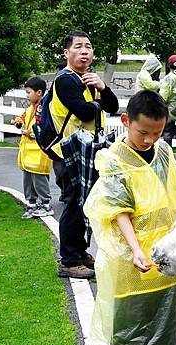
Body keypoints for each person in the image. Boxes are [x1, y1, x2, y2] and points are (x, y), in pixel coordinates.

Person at [84, 90, 176, 345]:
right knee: (132, 314)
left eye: (157, 133)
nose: (149, 139)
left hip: (165, 252)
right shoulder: (114, 160)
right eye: (143, 132)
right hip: (131, 252)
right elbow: (119, 210)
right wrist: (135, 250)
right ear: (126, 121)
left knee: (165, 309)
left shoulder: (164, 152)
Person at [49, 30, 120, 279]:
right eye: (78, 47)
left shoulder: (89, 79)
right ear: (66, 53)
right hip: (68, 151)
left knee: (84, 203)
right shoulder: (66, 80)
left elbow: (113, 106)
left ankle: (79, 253)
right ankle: (69, 260)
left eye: (88, 46)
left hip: (86, 151)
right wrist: (97, 103)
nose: (84, 51)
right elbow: (86, 111)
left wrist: (102, 87)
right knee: (72, 202)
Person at [13, 76, 53, 219]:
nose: (27, 95)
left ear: (39, 93)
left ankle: (45, 204)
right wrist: (18, 121)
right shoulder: (30, 108)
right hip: (27, 154)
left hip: (39, 152)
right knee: (28, 180)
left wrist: (31, 133)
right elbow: (23, 117)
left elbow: (47, 129)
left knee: (39, 179)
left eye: (29, 92)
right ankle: (32, 204)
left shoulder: (46, 109)